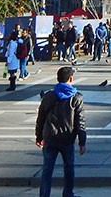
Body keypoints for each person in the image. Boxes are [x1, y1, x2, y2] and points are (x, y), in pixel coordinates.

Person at [35, 66, 86, 197]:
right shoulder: (76, 97)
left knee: (47, 169)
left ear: (57, 79)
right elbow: (80, 122)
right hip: (67, 138)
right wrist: (82, 142)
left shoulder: (48, 96)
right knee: (69, 168)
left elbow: (41, 118)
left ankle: (44, 195)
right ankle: (68, 193)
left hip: (50, 137)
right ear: (71, 79)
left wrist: (39, 136)